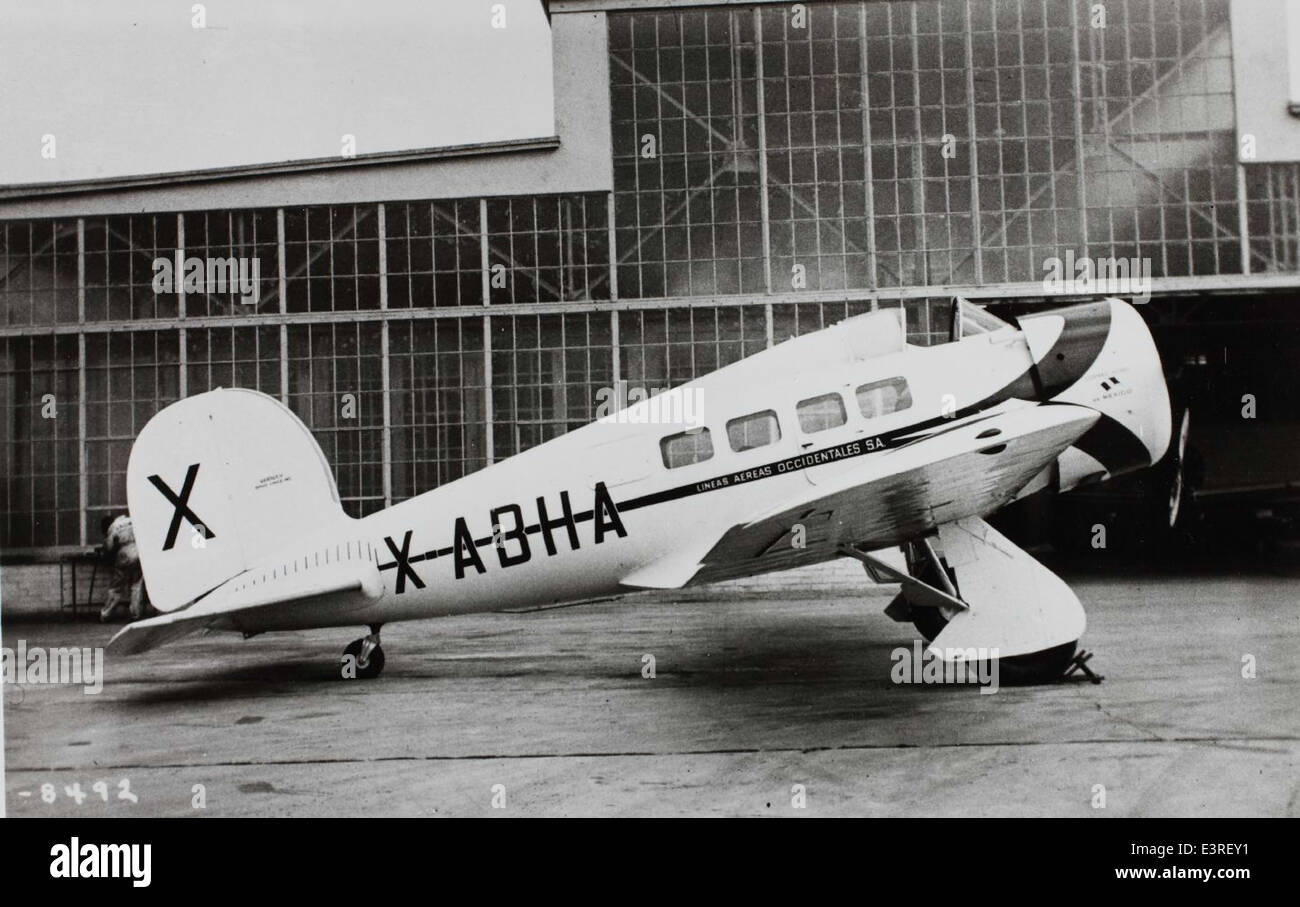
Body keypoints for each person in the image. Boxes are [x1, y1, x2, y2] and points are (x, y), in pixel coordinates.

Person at [98, 513, 147, 622]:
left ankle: (106, 613)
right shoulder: (129, 520)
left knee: (116, 587)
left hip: (124, 555)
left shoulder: (113, 528)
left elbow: (109, 548)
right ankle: (135, 614)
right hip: (139, 553)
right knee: (136, 586)